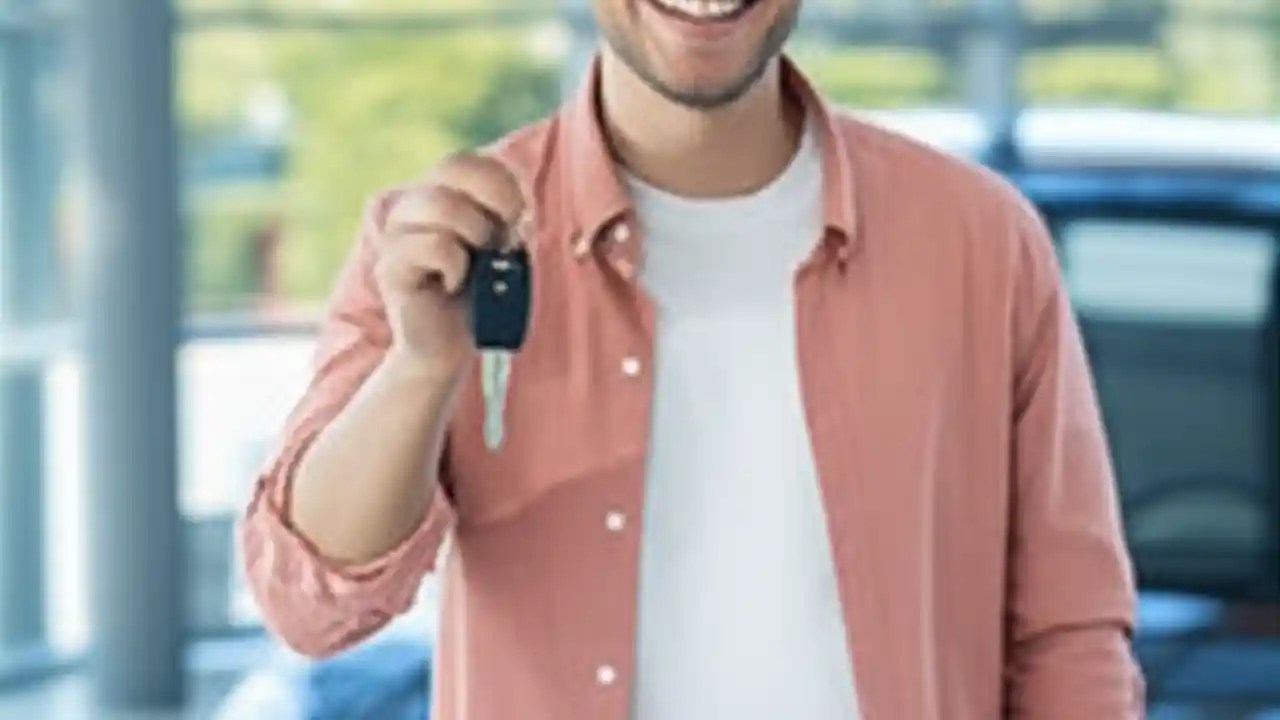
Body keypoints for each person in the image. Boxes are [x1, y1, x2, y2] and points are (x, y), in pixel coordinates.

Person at [239, 0, 1146, 717]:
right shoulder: (443, 244)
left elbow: (1068, 636)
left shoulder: (980, 242)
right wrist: (420, 369)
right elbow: (309, 607)